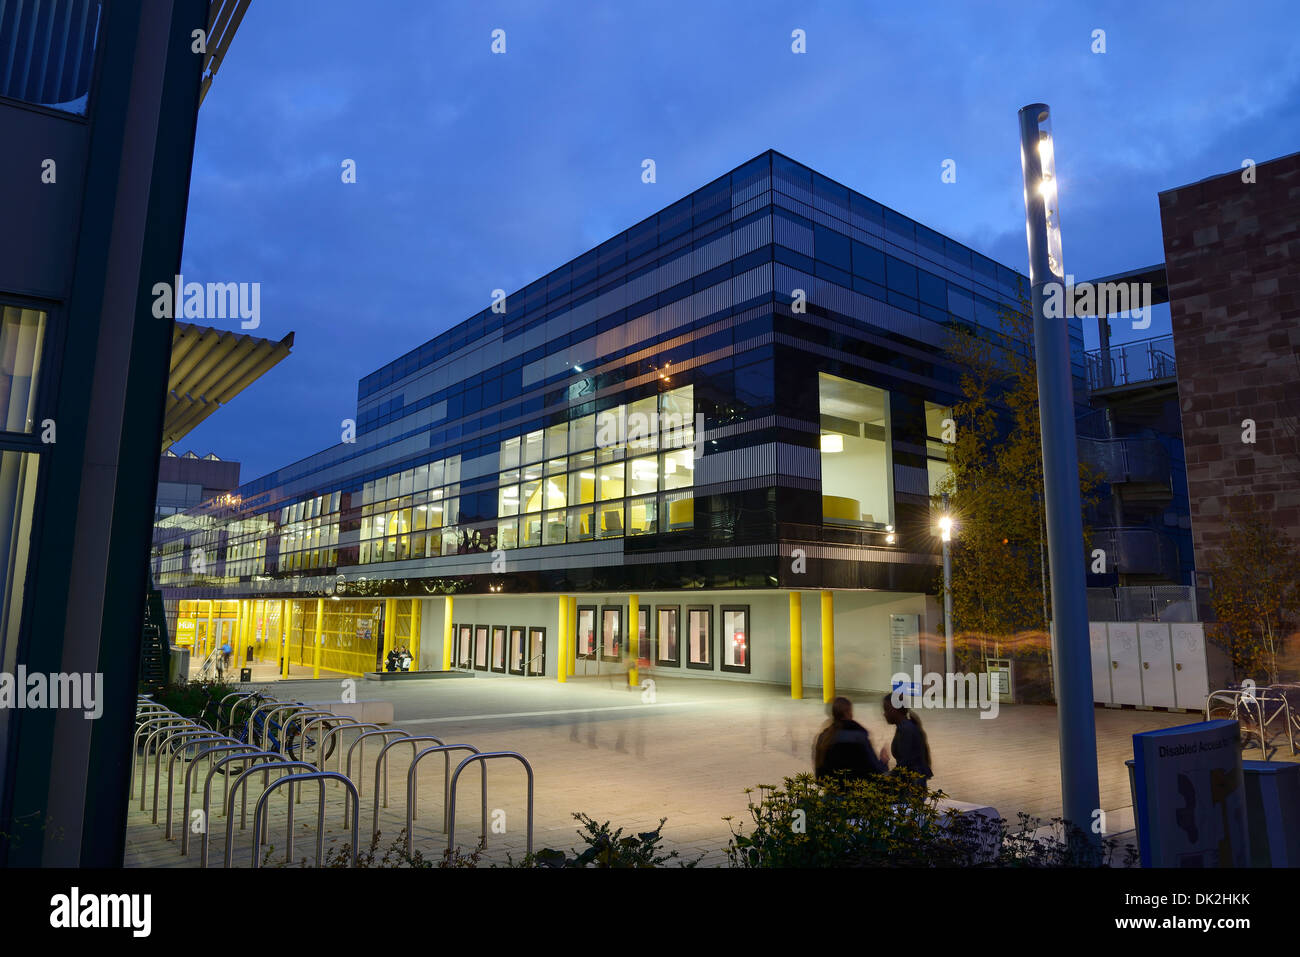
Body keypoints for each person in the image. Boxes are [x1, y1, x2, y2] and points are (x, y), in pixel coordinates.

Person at [813, 697, 887, 783]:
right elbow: (874, 769)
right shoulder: (858, 735)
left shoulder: (824, 737)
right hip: (855, 790)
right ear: (848, 712)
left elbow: (819, 774)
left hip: (832, 790)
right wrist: (883, 761)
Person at [880, 693, 933, 781]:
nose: (884, 714)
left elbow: (905, 764)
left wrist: (886, 773)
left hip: (912, 783)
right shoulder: (905, 727)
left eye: (886, 710)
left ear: (895, 710)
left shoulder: (906, 730)